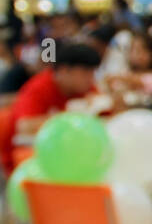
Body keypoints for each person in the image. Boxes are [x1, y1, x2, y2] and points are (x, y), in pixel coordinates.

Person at [1, 42, 102, 172]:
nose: (91, 79)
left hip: (64, 155)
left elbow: (104, 116)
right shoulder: (39, 87)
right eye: (86, 73)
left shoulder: (85, 89)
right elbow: (25, 126)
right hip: (29, 160)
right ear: (64, 70)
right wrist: (71, 115)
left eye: (93, 73)